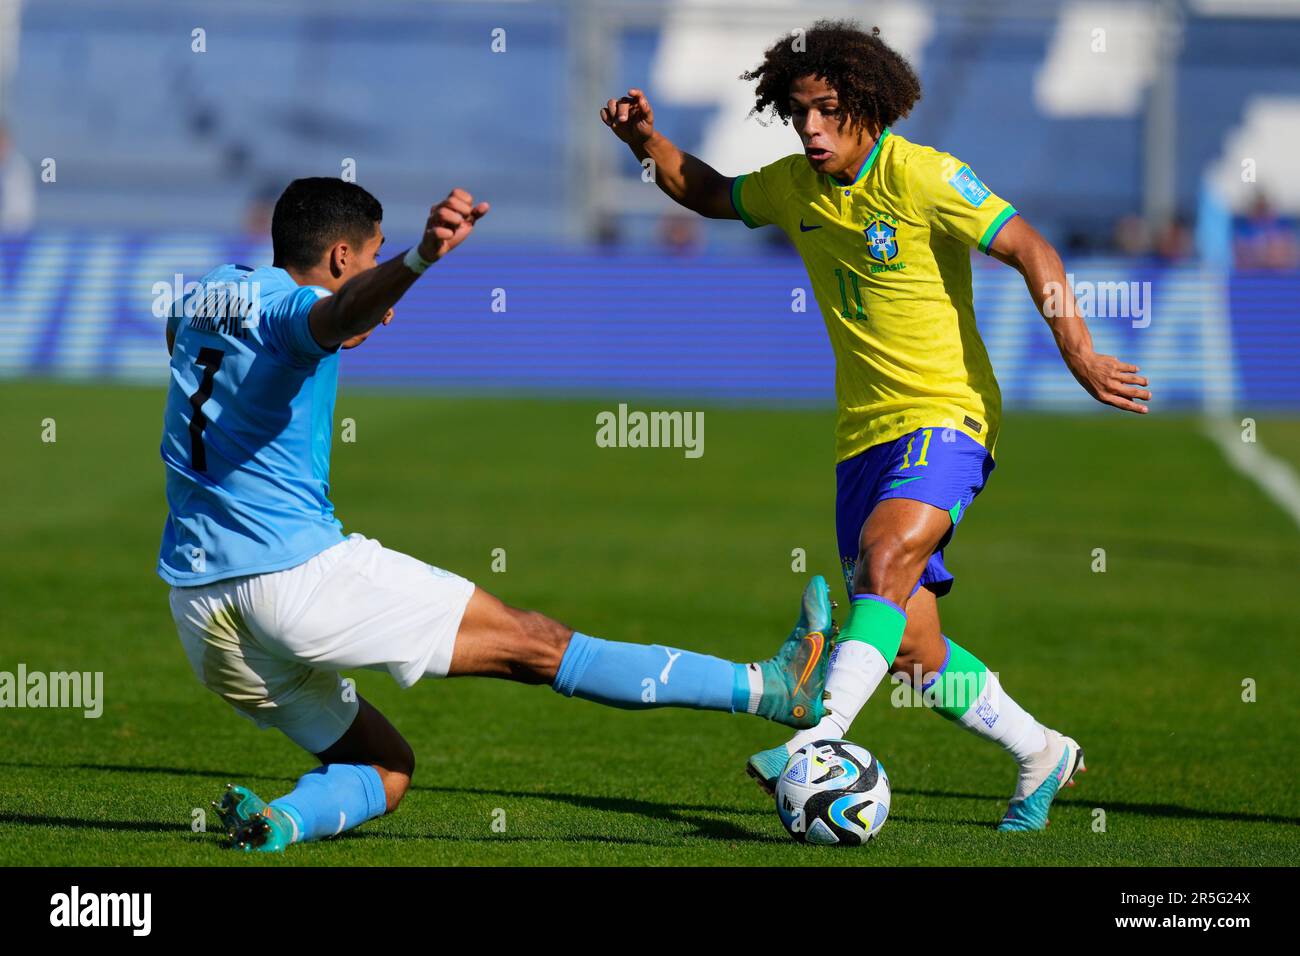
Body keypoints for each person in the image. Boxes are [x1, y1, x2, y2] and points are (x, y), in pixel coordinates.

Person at [160, 177, 830, 851]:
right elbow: (327, 318)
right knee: (540, 645)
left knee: (385, 769)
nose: (373, 268)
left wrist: (347, 321)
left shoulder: (210, 294)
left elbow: (275, 337)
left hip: (200, 610)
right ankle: (768, 689)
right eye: (372, 257)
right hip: (296, 577)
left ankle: (280, 822)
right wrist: (417, 261)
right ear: (340, 260)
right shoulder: (303, 311)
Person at [601, 20, 1153, 830]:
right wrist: (645, 141)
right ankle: (1042, 751)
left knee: (888, 555)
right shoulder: (795, 186)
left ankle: (818, 739)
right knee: (912, 647)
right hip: (862, 437)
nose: (811, 128)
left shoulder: (925, 177)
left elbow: (1032, 247)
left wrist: (1079, 350)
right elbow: (709, 194)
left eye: (826, 110)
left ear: (869, 104)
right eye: (797, 113)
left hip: (948, 414)